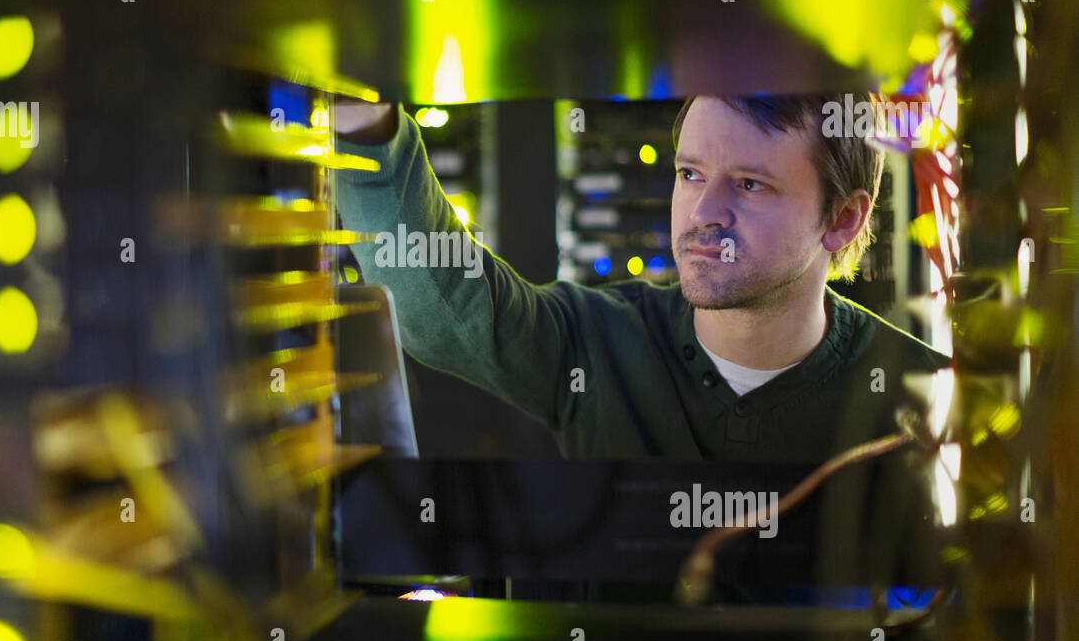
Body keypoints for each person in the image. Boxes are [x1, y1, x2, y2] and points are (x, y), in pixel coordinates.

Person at [333, 95, 950, 465]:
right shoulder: (597, 342)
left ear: (843, 219)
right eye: (689, 174)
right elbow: (446, 311)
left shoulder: (924, 397)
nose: (704, 211)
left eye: (750, 184)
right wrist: (366, 128)